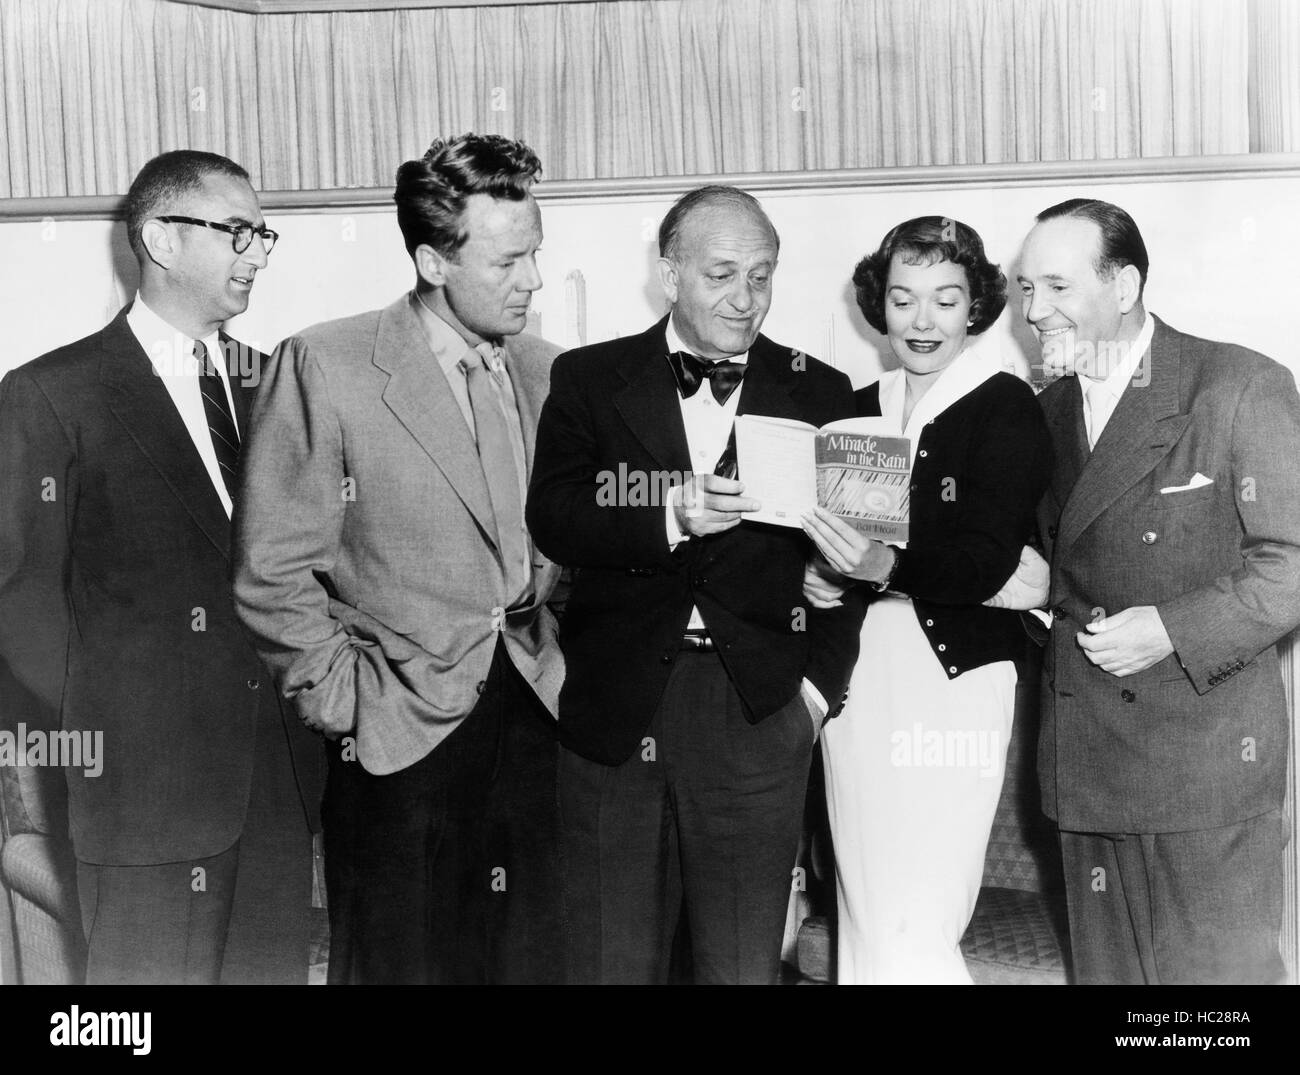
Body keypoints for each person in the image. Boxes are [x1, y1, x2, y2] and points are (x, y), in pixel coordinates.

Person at [232, 133, 565, 985]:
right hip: (396, 735)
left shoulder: (549, 369)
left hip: (536, 723)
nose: (531, 280)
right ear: (432, 260)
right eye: (507, 262)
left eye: (534, 254)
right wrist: (346, 701)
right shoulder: (326, 364)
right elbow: (273, 571)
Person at [526, 184, 866, 985]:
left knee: (741, 967)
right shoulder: (587, 376)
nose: (744, 299)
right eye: (721, 274)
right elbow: (558, 517)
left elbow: (856, 563)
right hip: (615, 705)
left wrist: (814, 696)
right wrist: (666, 510)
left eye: (761, 275)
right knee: (609, 960)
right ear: (669, 274)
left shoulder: (824, 391)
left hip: (757, 709)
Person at [0, 149, 323, 984]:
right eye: (238, 231)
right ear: (161, 239)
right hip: (142, 795)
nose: (257, 251)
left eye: (263, 234)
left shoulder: (275, 381)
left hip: (278, 783)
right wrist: (106, 712)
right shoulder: (51, 392)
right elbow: (17, 591)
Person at [1010, 198, 1300, 984]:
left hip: (1203, 779)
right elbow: (1054, 572)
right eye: (1025, 289)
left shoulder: (1238, 385)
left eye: (1057, 287)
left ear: (1126, 283)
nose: (1035, 312)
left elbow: (1292, 563)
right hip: (1086, 772)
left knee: (1216, 1024)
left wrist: (1172, 627)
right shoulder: (1043, 414)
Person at [801, 216, 1052, 983]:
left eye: (946, 299)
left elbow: (984, 563)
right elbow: (829, 543)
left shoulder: (1005, 404)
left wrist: (880, 564)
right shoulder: (852, 402)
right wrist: (817, 575)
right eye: (904, 298)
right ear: (880, 303)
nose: (921, 320)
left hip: (955, 676)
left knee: (923, 904)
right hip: (859, 673)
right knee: (869, 902)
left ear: (975, 305)